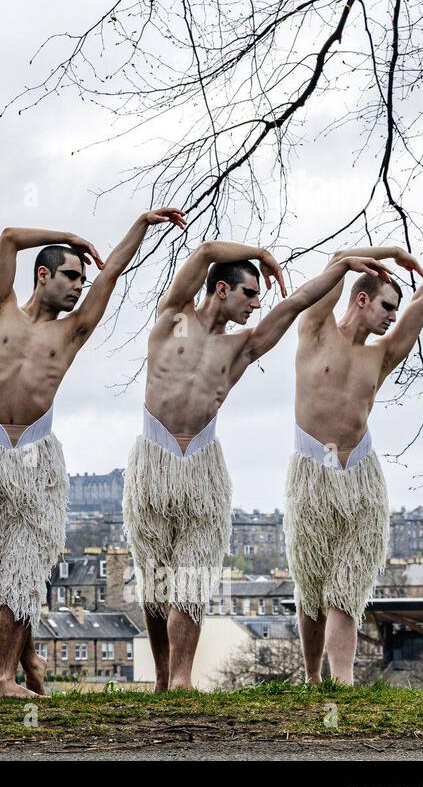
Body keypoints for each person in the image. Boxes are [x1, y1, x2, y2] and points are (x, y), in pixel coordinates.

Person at [125, 241, 391, 690]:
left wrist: (341, 266)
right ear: (222, 288)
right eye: (250, 294)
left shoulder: (243, 347)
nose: (256, 303)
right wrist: (261, 253)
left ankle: (184, 679)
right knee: (154, 582)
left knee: (191, 578)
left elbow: (296, 303)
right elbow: (206, 250)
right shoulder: (173, 318)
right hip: (153, 460)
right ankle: (164, 679)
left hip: (202, 464)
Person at [0, 209, 187, 698]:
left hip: (37, 459)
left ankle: (4, 681)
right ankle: (32, 658)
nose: (80, 286)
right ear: (44, 274)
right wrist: (66, 235)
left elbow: (114, 272)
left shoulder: (73, 330)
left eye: (83, 279)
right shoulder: (0, 309)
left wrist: (140, 223)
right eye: (72, 276)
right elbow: (8, 235)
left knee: (23, 570)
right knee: (1, 577)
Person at [287, 245, 423, 684]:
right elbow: (335, 265)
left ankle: (341, 681)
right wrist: (382, 253)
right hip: (311, 470)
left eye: (393, 309)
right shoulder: (314, 330)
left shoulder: (380, 356)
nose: (390, 315)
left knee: (346, 585)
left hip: (361, 475)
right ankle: (311, 679)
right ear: (361, 298)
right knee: (311, 583)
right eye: (386, 305)